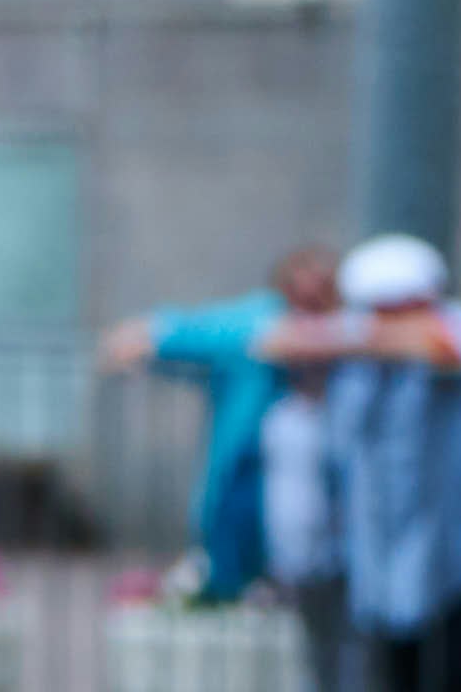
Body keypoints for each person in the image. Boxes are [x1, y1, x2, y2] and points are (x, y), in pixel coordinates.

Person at [273, 235, 461, 692]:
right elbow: (277, 340)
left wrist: (342, 335)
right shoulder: (357, 354)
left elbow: (442, 345)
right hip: (385, 578)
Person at [102, 242, 342, 631]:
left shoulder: (350, 344)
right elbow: (168, 334)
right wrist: (136, 340)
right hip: (242, 508)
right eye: (301, 299)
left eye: (321, 299)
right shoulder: (254, 330)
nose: (309, 315)